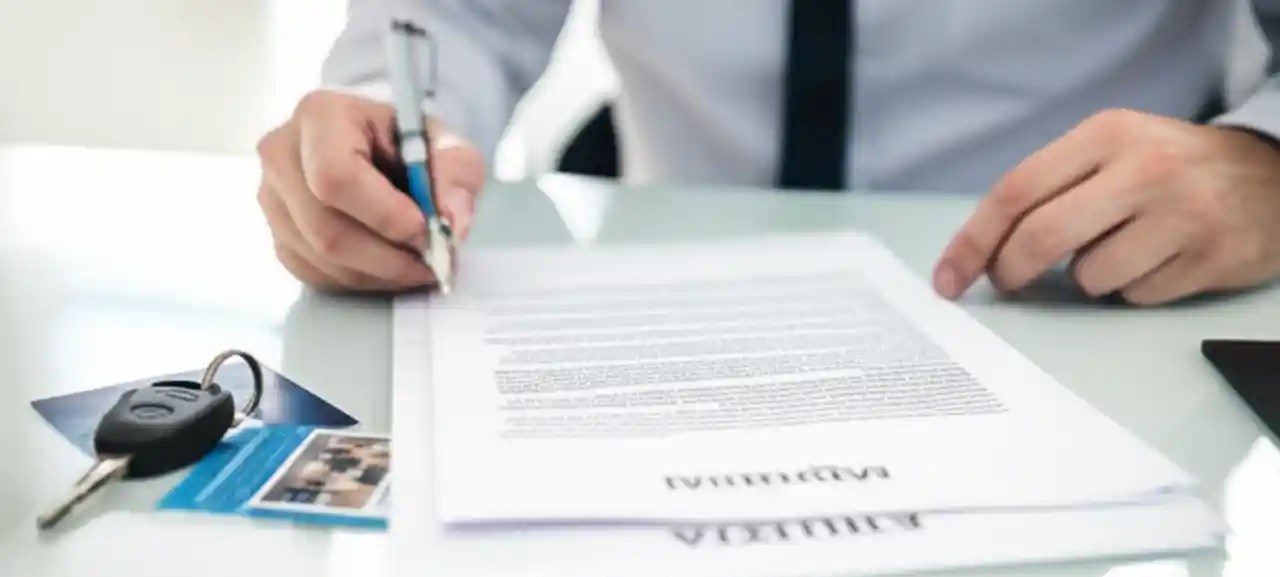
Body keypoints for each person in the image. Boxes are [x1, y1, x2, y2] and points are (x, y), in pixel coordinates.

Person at [256, 1, 1280, 305]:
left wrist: (1263, 161)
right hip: (665, 305)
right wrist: (386, 127)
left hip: (1080, 296)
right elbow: (457, 19)